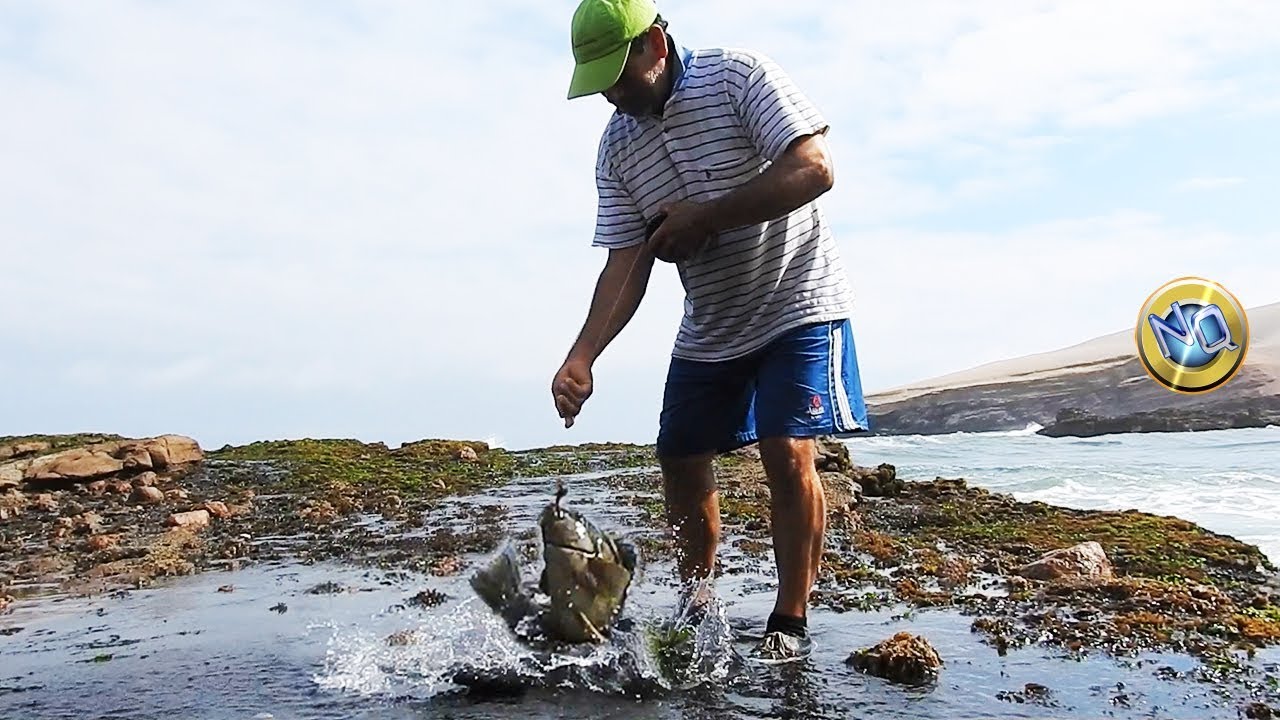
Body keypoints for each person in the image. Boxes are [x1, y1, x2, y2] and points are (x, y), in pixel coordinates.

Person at [551, 0, 869, 665]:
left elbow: (815, 168)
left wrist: (708, 217)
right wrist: (582, 355)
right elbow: (625, 261)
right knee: (680, 456)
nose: (612, 93)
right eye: (599, 80)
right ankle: (698, 603)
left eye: (620, 74)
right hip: (712, 321)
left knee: (787, 450)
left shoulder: (738, 77)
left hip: (798, 300)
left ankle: (789, 619)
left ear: (656, 44)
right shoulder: (618, 144)